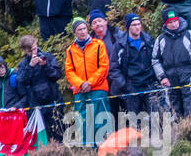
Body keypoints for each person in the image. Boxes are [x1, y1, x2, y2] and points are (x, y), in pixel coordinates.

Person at [151, 7, 191, 118]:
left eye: (175, 21)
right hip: (170, 80)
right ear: (165, 24)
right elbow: (155, 60)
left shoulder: (190, 35)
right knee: (174, 113)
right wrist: (162, 77)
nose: (174, 24)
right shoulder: (160, 40)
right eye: (170, 22)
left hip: (188, 76)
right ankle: (179, 133)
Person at [65, 18, 111, 146]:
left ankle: (105, 151)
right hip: (80, 91)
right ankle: (88, 152)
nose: (83, 31)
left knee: (101, 121)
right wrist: (81, 84)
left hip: (98, 89)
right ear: (75, 32)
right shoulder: (70, 50)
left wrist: (90, 83)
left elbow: (104, 66)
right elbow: (69, 72)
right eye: (79, 29)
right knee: (83, 122)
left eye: (84, 28)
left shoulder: (98, 45)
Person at [15, 36, 63, 140]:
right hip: (36, 105)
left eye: (34, 49)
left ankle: (61, 154)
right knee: (42, 138)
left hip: (53, 101)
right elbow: (21, 83)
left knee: (58, 133)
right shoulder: (23, 65)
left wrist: (46, 65)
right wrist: (30, 67)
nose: (33, 53)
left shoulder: (48, 57)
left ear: (36, 44)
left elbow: (57, 75)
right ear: (24, 50)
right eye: (29, 51)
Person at [110, 14, 157, 115]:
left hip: (149, 84)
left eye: (139, 24)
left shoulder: (149, 41)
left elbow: (157, 60)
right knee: (133, 121)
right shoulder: (120, 45)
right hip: (131, 86)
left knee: (155, 117)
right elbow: (114, 68)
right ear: (128, 27)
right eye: (134, 25)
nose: (137, 27)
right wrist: (124, 85)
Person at [88, 10, 123, 97]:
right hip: (101, 78)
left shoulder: (116, 34)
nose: (98, 24)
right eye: (94, 23)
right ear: (92, 27)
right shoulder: (90, 41)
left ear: (105, 21)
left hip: (118, 74)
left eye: (100, 21)